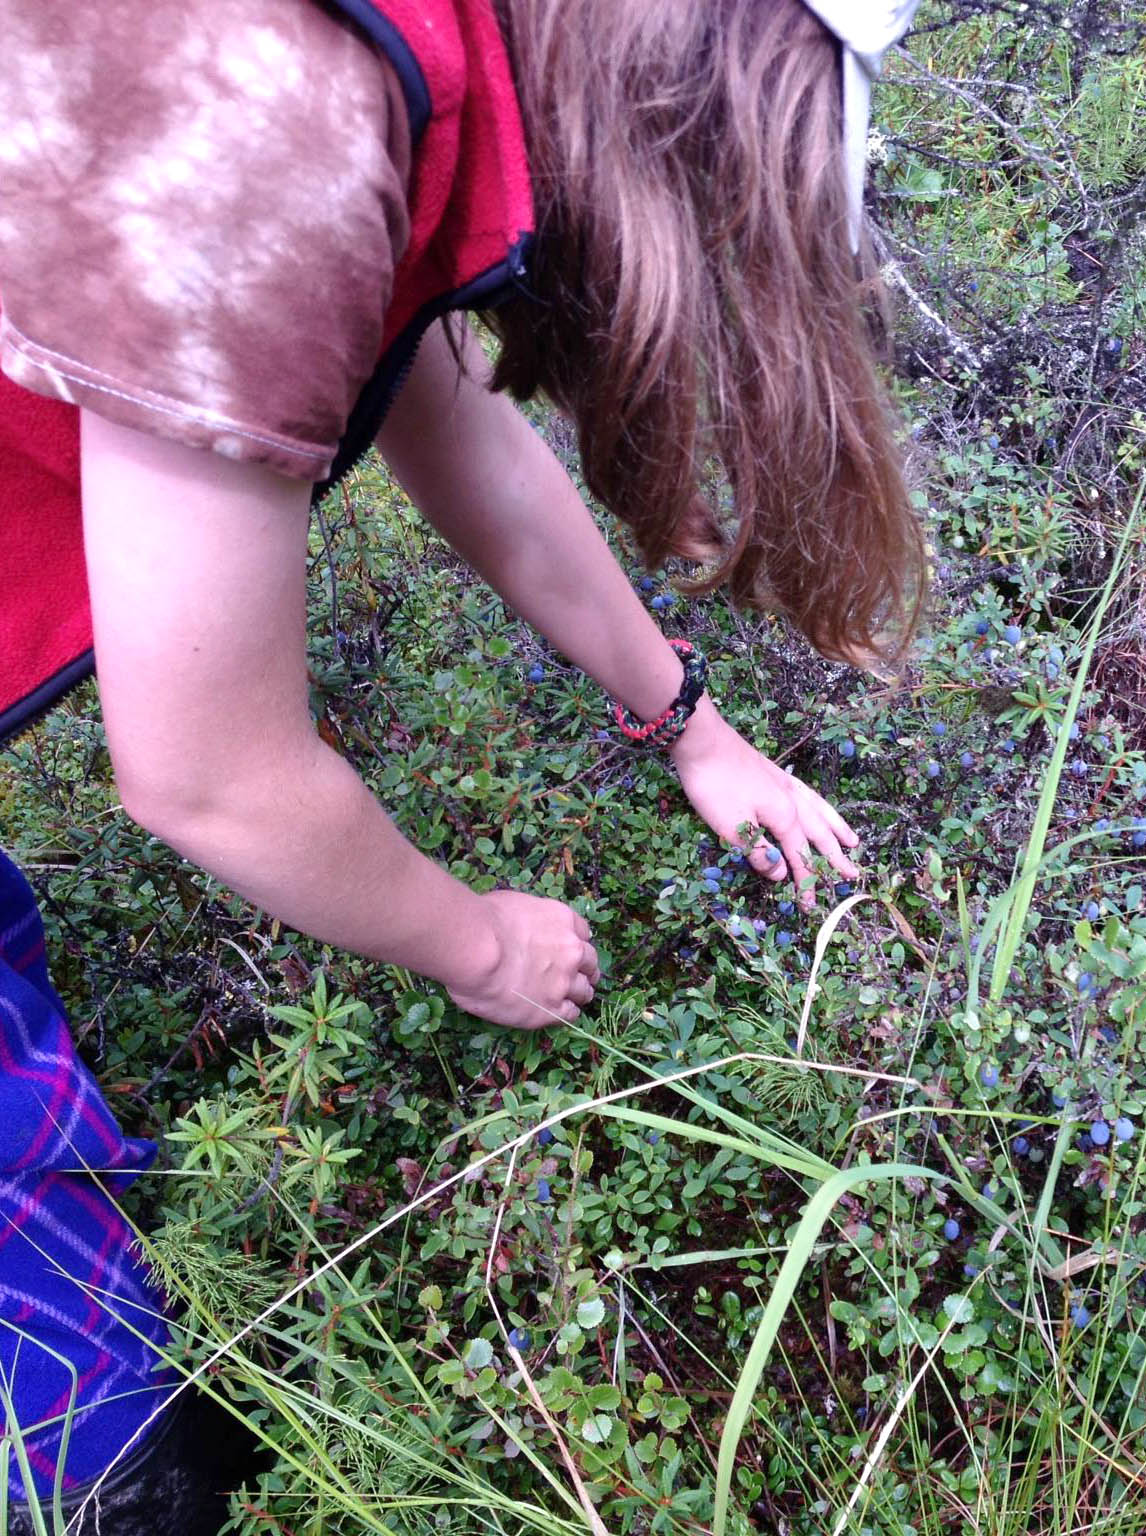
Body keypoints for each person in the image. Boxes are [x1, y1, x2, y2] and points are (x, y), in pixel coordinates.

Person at [0, 0, 927, 1528]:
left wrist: (695, 731)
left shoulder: (396, 64)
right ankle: (113, 1473)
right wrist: (481, 943)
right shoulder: (278, 113)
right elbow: (207, 771)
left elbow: (449, 422)